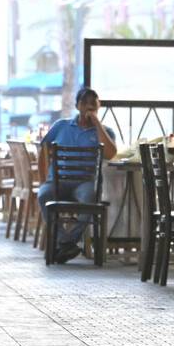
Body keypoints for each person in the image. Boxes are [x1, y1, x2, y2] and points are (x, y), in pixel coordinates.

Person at [36, 88, 117, 263]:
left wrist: (97, 124)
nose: (89, 107)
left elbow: (110, 154)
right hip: (57, 182)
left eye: (93, 104)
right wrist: (43, 179)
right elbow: (43, 149)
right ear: (77, 106)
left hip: (84, 183)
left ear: (98, 107)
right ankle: (66, 243)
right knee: (43, 195)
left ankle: (66, 242)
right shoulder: (61, 126)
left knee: (90, 198)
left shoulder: (105, 132)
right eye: (85, 103)